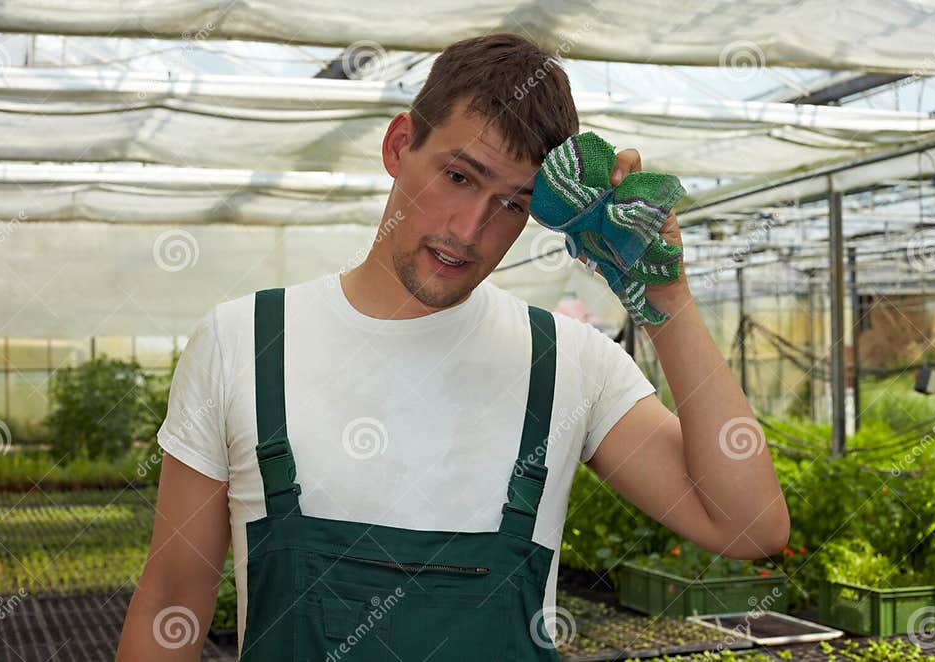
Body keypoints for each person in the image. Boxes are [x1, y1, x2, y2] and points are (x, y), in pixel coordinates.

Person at [117, 32, 789, 661]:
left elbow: (749, 527)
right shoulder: (246, 343)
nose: (469, 230)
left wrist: (667, 303)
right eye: (460, 177)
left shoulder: (566, 361)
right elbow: (174, 597)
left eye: (512, 204)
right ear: (399, 144)